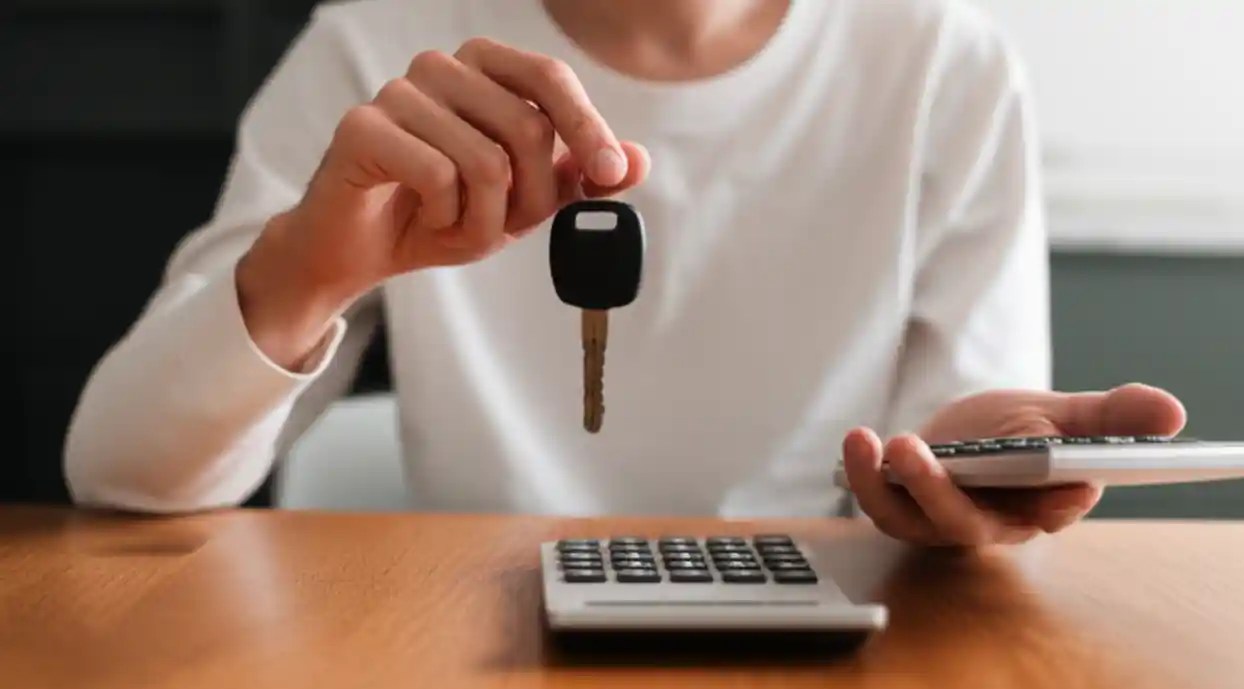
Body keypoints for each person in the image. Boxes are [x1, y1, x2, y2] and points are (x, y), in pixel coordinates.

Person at [63, 0, 1186, 545]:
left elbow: (943, 452)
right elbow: (118, 473)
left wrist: (957, 474)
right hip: (460, 648)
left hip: (830, 641)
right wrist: (305, 272)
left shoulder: (946, 64)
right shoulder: (382, 47)